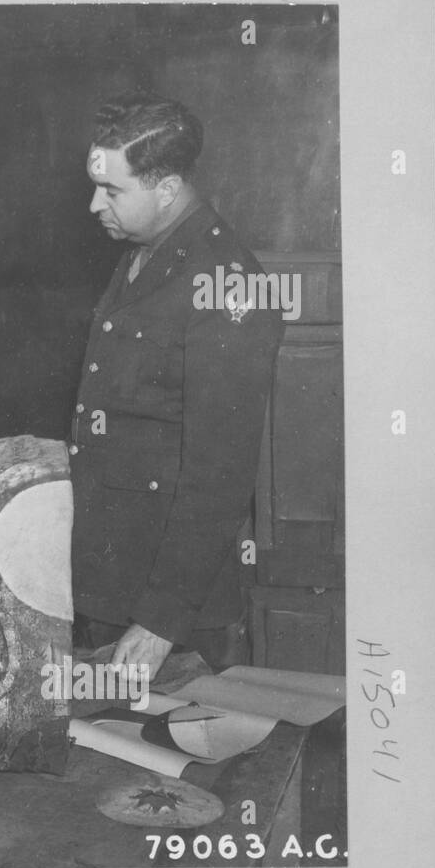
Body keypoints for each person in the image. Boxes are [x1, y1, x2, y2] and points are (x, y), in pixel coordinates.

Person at [72, 92, 284, 678]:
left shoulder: (227, 286)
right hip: (113, 581)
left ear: (166, 189)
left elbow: (220, 470)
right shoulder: (144, 252)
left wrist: (161, 619)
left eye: (112, 191)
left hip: (172, 616)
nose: (94, 204)